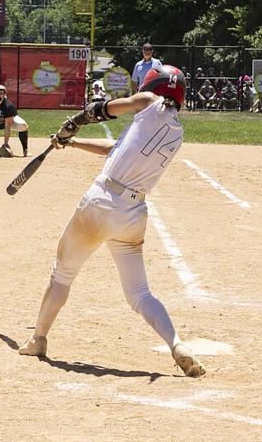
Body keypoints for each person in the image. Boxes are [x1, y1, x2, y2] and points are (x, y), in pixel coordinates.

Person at [14, 64, 206, 378]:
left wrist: (73, 123)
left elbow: (101, 110)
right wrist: (72, 143)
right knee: (140, 294)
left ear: (153, 85)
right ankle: (176, 344)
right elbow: (116, 149)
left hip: (101, 203)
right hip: (133, 214)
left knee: (62, 274)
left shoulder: (147, 101)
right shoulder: (176, 131)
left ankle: (38, 338)